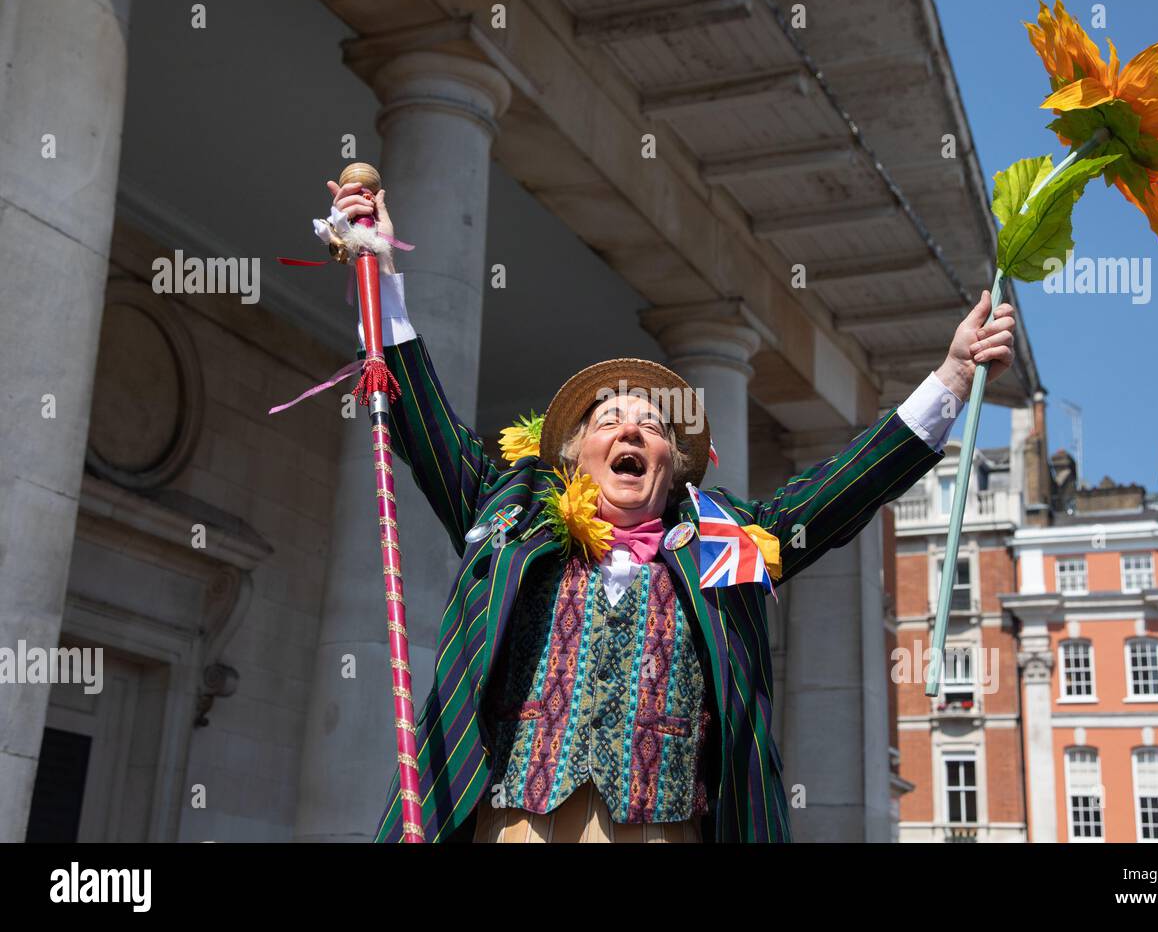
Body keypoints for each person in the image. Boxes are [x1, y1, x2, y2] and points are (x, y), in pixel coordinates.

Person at [321, 180, 1017, 843]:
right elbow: (425, 428)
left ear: (675, 467)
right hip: (515, 825)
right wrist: (379, 278)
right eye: (610, 420)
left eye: (651, 426)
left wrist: (952, 378)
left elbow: (841, 491)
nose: (630, 431)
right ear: (572, 456)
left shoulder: (725, 543)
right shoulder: (509, 512)